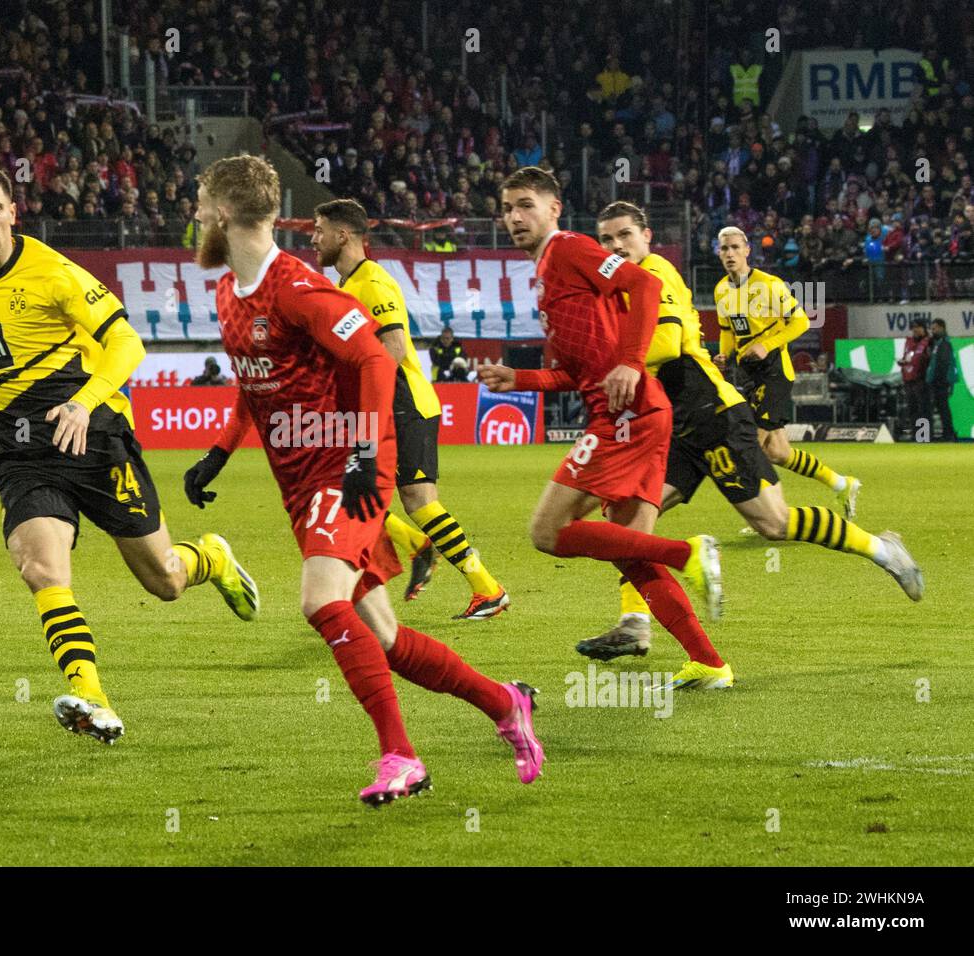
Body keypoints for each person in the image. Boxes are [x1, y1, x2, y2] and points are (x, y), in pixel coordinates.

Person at [182, 155, 542, 806]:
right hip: (299, 478)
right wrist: (218, 453)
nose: (197, 216)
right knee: (383, 637)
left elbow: (376, 358)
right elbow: (254, 387)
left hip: (344, 464)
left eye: (202, 204)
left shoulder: (295, 286)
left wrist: (362, 455)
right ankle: (504, 702)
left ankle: (402, 758)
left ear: (226, 213)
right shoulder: (227, 292)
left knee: (321, 602)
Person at [0, 163, 259, 746]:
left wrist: (83, 403)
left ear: (13, 213)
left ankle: (211, 558)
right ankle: (93, 698)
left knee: (165, 581)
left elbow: (127, 341)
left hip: (90, 431)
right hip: (17, 446)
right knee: (41, 569)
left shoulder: (54, 272)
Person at [574, 202, 923, 659]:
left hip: (712, 417)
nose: (617, 246)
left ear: (646, 236)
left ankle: (883, 550)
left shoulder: (654, 274)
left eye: (625, 236)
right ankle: (635, 623)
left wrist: (614, 356)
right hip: (675, 425)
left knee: (774, 523)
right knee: (628, 519)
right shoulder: (626, 286)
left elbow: (664, 342)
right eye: (607, 239)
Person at [479, 166, 733, 691]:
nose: (514, 217)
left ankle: (689, 553)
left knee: (546, 532)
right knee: (631, 553)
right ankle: (710, 663)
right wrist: (519, 376)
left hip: (627, 415)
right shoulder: (550, 270)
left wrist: (632, 361)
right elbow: (577, 371)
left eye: (525, 204)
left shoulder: (569, 248)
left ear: (553, 208)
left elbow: (643, 284)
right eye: (507, 208)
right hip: (635, 412)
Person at [312, 198, 509, 618]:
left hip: (403, 403)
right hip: (380, 408)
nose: (313, 238)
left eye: (319, 230)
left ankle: (486, 587)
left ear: (342, 235)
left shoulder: (372, 283)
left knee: (418, 499)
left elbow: (394, 347)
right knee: (346, 486)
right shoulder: (348, 287)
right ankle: (417, 549)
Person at [713, 227, 862, 517]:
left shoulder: (769, 284)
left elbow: (801, 322)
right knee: (778, 452)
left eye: (734, 247)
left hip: (774, 372)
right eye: (723, 249)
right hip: (748, 374)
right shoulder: (721, 290)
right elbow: (727, 330)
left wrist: (767, 345)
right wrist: (723, 356)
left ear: (747, 250)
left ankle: (768, 515)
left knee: (749, 446)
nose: (729, 254)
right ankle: (842, 483)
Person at [927, 319, 959, 441]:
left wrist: (936, 380)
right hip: (940, 381)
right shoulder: (939, 343)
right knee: (942, 409)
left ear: (942, 328)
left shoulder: (944, 343)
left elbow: (943, 364)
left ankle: (949, 434)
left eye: (934, 328)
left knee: (943, 409)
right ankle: (948, 434)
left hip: (941, 382)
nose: (932, 331)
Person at [900, 320, 932, 440]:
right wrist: (902, 362)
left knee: (924, 409)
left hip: (922, 380)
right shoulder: (909, 342)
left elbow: (930, 360)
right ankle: (917, 436)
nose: (915, 330)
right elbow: (907, 357)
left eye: (918, 327)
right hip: (909, 380)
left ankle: (926, 436)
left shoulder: (929, 342)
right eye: (913, 328)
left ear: (924, 329)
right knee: (913, 410)